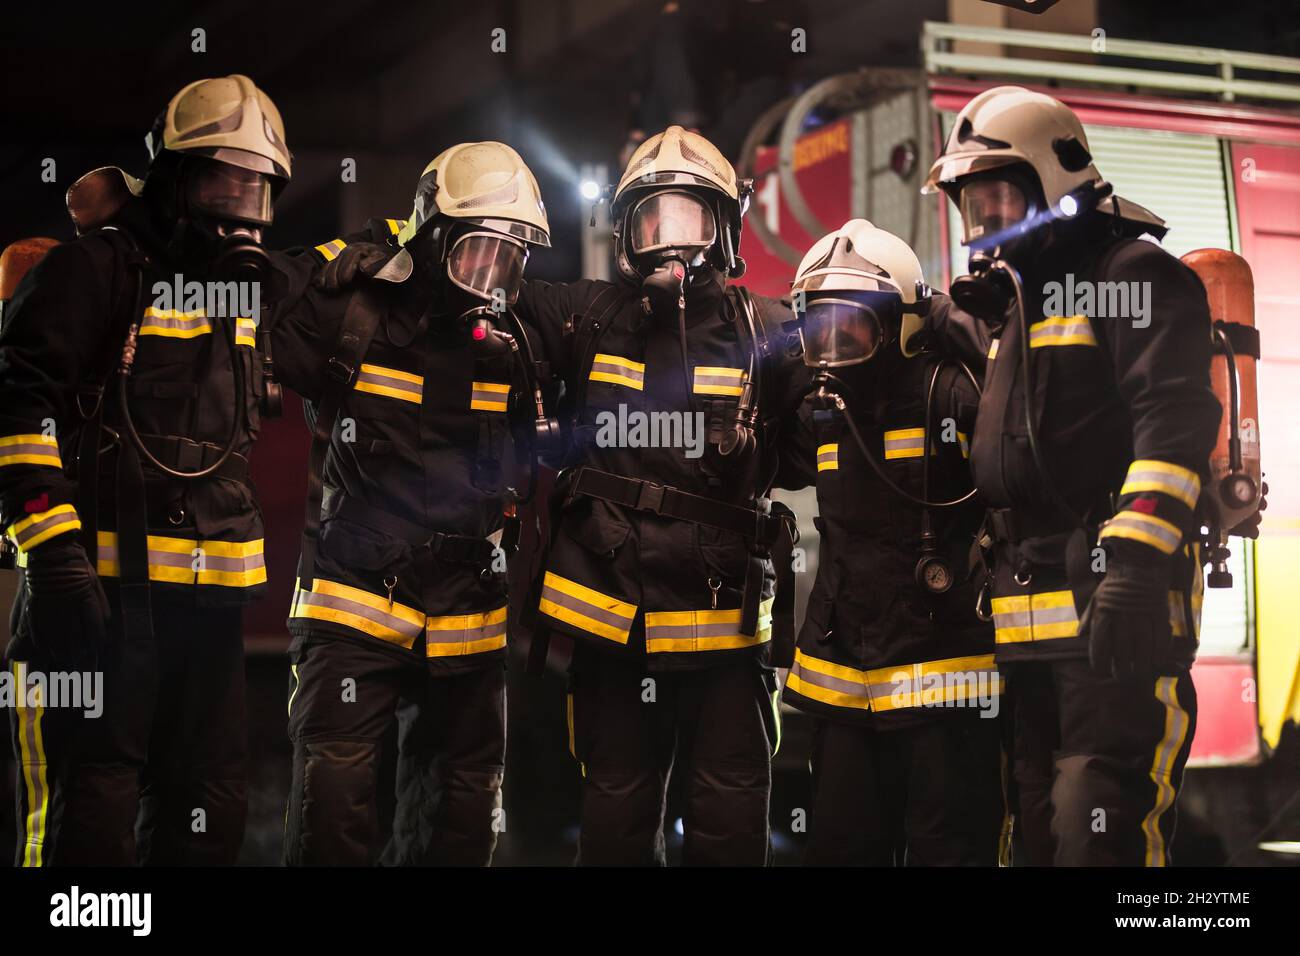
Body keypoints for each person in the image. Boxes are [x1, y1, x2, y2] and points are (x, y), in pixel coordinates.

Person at [923, 85, 1221, 866]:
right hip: (1032, 634)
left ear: (1054, 183)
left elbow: (1176, 424)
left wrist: (1135, 566)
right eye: (971, 206)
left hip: (1117, 621)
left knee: (1102, 832)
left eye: (997, 198)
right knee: (1036, 841)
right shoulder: (1021, 309)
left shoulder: (1136, 276)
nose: (983, 223)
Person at [0, 74, 292, 865]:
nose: (240, 207)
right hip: (96, 598)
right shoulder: (92, 273)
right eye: (221, 182)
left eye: (255, 189)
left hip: (211, 608)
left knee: (210, 800)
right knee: (90, 803)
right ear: (172, 180)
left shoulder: (248, 298)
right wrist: (54, 556)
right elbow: (17, 411)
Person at [516, 125, 809, 865]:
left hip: (725, 629)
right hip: (613, 621)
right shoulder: (584, 316)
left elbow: (823, 439)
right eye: (654, 220)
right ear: (626, 235)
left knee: (730, 812)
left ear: (726, 231)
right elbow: (484, 290)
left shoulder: (767, 331)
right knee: (615, 814)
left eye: (692, 219)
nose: (673, 242)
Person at [272, 142, 553, 865]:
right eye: (475, 254)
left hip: (468, 617)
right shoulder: (354, 310)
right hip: (350, 610)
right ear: (432, 240)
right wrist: (331, 259)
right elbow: (240, 291)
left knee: (458, 822)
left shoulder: (514, 345)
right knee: (331, 816)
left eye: (509, 260)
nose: (490, 278)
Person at [782, 219, 1006, 866]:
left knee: (951, 851)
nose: (832, 346)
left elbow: (1020, 439)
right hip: (845, 684)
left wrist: (952, 318)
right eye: (819, 328)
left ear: (902, 323)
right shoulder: (821, 408)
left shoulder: (954, 392)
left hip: (947, 685)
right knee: (842, 849)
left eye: (849, 327)